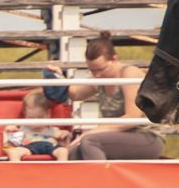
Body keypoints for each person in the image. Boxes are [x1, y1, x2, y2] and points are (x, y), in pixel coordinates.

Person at [62, 31, 165, 161]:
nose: (96, 75)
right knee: (73, 151)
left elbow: (132, 117)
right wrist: (58, 77)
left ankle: (101, 180)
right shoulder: (100, 79)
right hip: (118, 137)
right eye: (92, 70)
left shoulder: (129, 73)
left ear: (114, 59)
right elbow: (76, 94)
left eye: (101, 69)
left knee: (90, 141)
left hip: (146, 137)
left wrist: (93, 131)